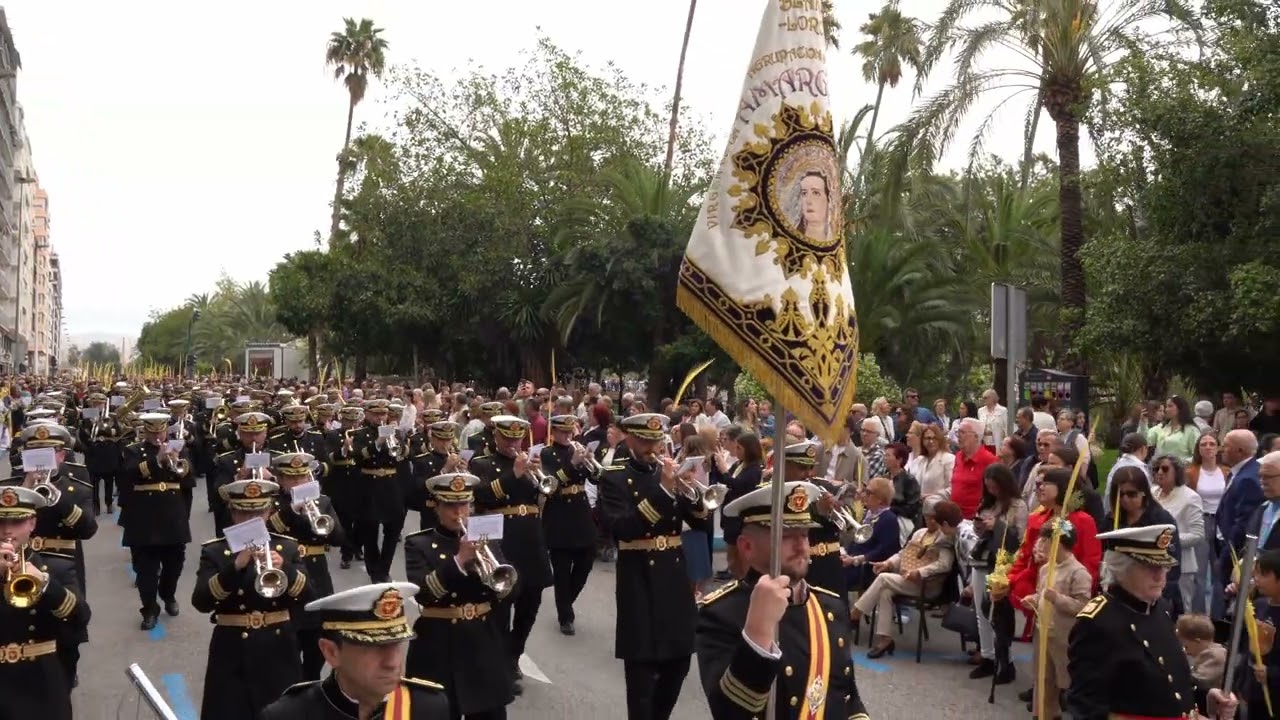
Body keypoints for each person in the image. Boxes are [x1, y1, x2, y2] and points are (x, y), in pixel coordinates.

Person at [694, 480, 869, 719]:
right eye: (786, 536)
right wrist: (757, 633)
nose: (801, 546)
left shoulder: (830, 605)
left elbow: (847, 697)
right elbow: (729, 713)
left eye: (804, 534)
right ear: (747, 547)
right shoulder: (721, 613)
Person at [599, 413, 712, 720]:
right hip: (638, 579)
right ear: (629, 439)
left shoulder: (669, 473)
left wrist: (692, 494)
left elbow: (701, 524)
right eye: (644, 441)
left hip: (674, 577)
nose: (652, 448)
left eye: (656, 441)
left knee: (679, 664)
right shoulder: (614, 477)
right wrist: (662, 491)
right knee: (641, 676)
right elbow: (623, 529)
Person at [1067, 524, 1239, 719]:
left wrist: (1205, 696)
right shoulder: (1098, 622)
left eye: (1164, 567)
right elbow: (1085, 705)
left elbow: (1168, 679)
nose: (1160, 576)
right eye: (1149, 567)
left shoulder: (1160, 607)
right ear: (1121, 569)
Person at [192, 479, 313, 719]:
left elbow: (308, 597)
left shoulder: (286, 547)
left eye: (258, 513)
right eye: (244, 514)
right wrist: (235, 567)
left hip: (278, 648)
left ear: (268, 513)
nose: (251, 520)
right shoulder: (216, 551)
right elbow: (201, 602)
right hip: (231, 650)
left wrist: (286, 569)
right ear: (233, 514)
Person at [404, 472, 514, 719]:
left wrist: (497, 580)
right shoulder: (419, 544)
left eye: (464, 504)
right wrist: (459, 561)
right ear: (437, 507)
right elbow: (424, 595)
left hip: (482, 640)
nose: (458, 512)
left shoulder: (485, 539)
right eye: (450, 506)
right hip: (438, 645)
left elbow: (507, 589)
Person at [259, 582, 450, 720]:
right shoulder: (288, 715)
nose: (393, 663)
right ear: (331, 652)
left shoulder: (429, 708)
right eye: (373, 647)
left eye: (397, 644)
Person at [1, 421, 97, 687]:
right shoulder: (8, 489)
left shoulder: (75, 486)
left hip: (60, 565)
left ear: (61, 455)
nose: (41, 461)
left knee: (68, 627)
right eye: (34, 454)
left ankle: (64, 672)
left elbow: (88, 529)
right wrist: (26, 488)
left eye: (47, 454)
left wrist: (59, 500)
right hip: (12, 559)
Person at [470, 414, 553, 694]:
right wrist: (513, 475)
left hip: (531, 539)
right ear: (496, 436)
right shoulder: (482, 463)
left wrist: (538, 480)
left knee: (531, 605)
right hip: (501, 540)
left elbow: (543, 497)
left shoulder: (530, 464)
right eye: (507, 438)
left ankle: (513, 654)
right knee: (501, 605)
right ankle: (500, 664)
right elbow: (481, 496)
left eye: (517, 439)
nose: (513, 443)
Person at [0, 486, 91, 720]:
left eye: (17, 522)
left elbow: (80, 617)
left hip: (42, 684)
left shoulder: (56, 567)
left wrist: (46, 583)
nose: (7, 530)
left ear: (32, 523)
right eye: (0, 523)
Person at [269, 451, 349, 681]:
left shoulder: (322, 501)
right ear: (281, 479)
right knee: (288, 641)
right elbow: (266, 532)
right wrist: (292, 510)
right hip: (285, 573)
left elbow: (339, 538)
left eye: (302, 477)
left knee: (319, 636)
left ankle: (310, 679)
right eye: (292, 478)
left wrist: (319, 518)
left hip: (316, 575)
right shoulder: (272, 502)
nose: (298, 483)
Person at [851, 498, 963, 658]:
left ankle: (855, 613)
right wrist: (887, 563)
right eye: (927, 517)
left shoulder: (945, 537)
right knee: (885, 592)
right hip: (908, 579)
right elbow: (903, 554)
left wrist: (921, 572)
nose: (930, 521)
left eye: (933, 518)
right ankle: (885, 639)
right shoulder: (919, 533)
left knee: (883, 579)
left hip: (928, 584)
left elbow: (944, 564)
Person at [117, 411, 193, 631]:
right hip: (144, 517)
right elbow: (128, 475)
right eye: (153, 433)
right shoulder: (133, 450)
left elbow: (189, 479)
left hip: (172, 515)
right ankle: (149, 609)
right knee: (145, 571)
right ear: (145, 431)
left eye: (161, 432)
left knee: (174, 565)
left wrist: (176, 462)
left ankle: (168, 595)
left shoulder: (178, 449)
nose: (158, 436)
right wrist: (156, 460)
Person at [1021, 520, 1092, 718]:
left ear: (1058, 544)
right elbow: (1041, 594)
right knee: (1042, 680)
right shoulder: (1046, 569)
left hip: (1063, 637)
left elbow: (1083, 606)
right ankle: (1043, 714)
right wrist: (1033, 599)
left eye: (1045, 541)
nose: (1040, 545)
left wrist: (1057, 598)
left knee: (1066, 681)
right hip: (1043, 632)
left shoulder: (1078, 572)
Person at [540, 414, 600, 635]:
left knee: (586, 562)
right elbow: (552, 483)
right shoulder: (547, 453)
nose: (567, 436)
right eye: (563, 432)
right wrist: (573, 463)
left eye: (570, 432)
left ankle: (566, 602)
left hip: (581, 512)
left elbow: (595, 478)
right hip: (559, 513)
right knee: (562, 570)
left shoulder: (578, 449)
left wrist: (591, 461)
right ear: (554, 432)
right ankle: (565, 616)